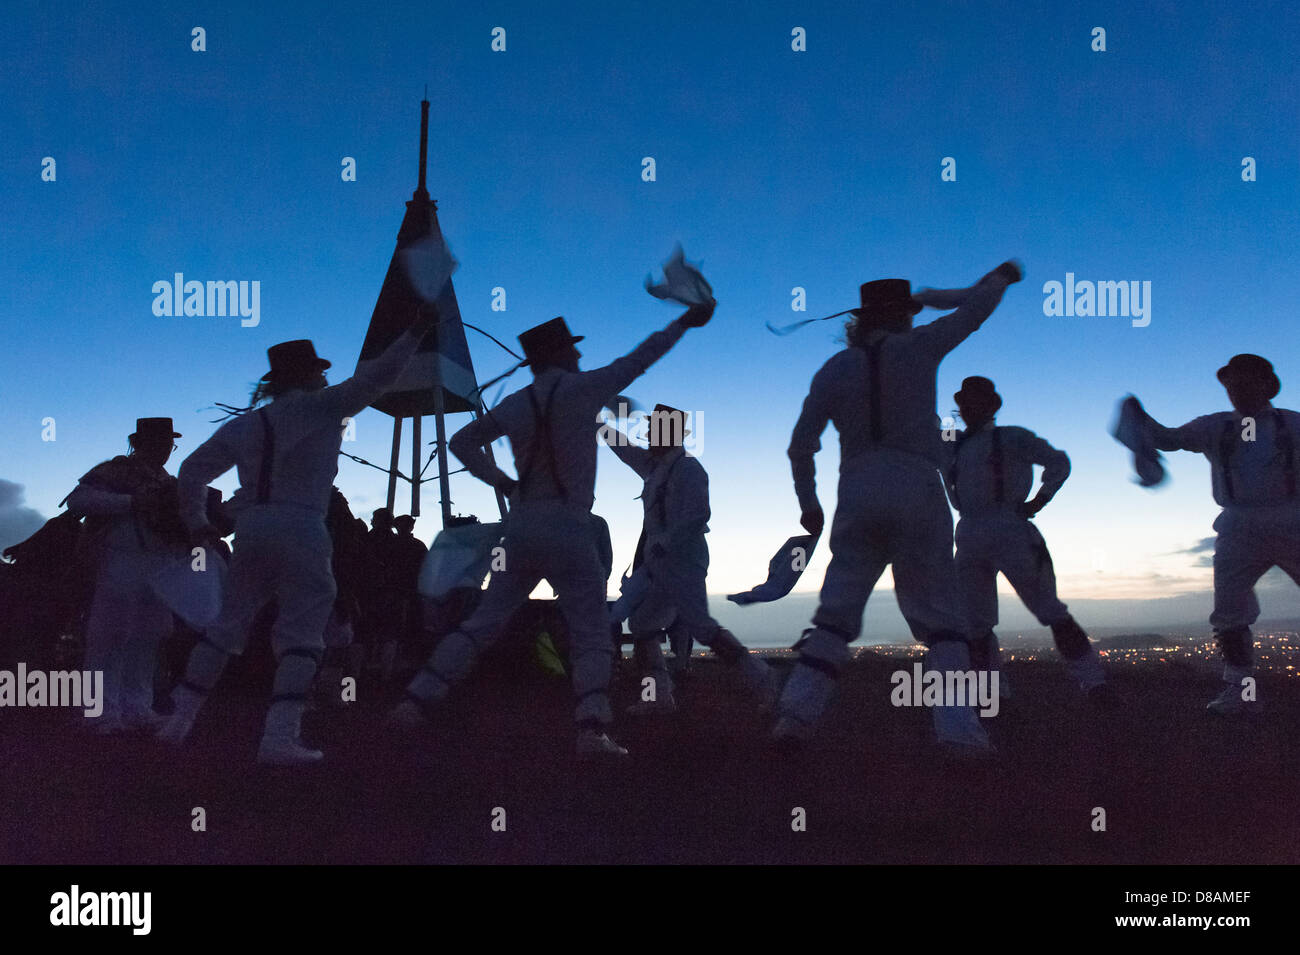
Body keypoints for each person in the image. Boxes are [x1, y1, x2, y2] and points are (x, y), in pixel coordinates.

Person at [393, 297, 716, 759]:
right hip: (570, 526)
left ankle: (415, 700)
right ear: (561, 354)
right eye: (574, 350)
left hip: (520, 525)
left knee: (483, 621)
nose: (581, 357)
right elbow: (643, 356)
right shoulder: (585, 389)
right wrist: (686, 318)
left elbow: (461, 442)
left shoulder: (516, 404)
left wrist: (499, 479)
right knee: (588, 630)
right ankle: (591, 729)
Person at [159, 317, 435, 766]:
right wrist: (416, 329)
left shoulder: (245, 427)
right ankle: (278, 738)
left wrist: (197, 522)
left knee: (227, 626)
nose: (325, 376)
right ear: (308, 376)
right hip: (304, 527)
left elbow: (192, 470)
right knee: (303, 634)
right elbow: (380, 375)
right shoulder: (326, 406)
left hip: (251, 529)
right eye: (319, 371)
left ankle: (177, 723)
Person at [775, 261, 1023, 753]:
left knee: (835, 615)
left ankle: (795, 719)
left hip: (858, 488)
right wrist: (997, 278)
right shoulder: (920, 347)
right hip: (917, 485)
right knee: (942, 619)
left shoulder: (834, 369)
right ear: (903, 317)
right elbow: (976, 312)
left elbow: (801, 445)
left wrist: (809, 503)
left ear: (861, 321)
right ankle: (959, 733)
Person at [1119, 354, 1300, 715]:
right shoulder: (1215, 426)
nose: (1237, 389)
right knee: (1230, 613)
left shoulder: (1294, 425)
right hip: (1237, 526)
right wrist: (1138, 417)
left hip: (1292, 519)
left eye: (1245, 381)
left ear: (1266, 385)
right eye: (1232, 383)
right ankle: (1241, 693)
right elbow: (1167, 439)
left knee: (1230, 612)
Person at [945, 376, 1108, 701]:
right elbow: (926, 428)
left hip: (1009, 527)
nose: (966, 408)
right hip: (969, 532)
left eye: (974, 401)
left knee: (1050, 609)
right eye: (964, 402)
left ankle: (1095, 684)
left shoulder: (1012, 437)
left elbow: (1059, 461)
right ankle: (992, 695)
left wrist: (1039, 500)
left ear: (992, 406)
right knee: (975, 623)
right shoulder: (953, 443)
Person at [602, 404, 772, 714]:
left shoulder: (689, 469)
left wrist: (664, 543)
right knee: (642, 625)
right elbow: (624, 448)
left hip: (681, 562)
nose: (649, 435)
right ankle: (660, 697)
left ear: (668, 434)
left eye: (654, 430)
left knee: (701, 627)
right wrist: (597, 422)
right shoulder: (659, 467)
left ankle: (763, 682)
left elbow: (698, 516)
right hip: (664, 563)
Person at [66, 417, 189, 734]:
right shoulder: (116, 471)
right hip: (121, 558)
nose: (165, 450)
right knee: (110, 635)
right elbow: (78, 501)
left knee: (147, 637)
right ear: (139, 443)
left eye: (168, 444)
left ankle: (137, 707)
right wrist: (132, 502)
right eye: (160, 443)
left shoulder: (168, 482)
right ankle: (98, 712)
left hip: (158, 564)